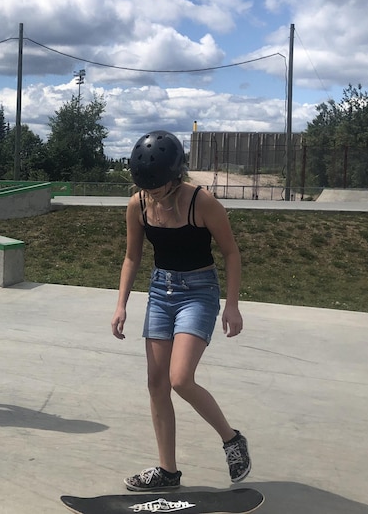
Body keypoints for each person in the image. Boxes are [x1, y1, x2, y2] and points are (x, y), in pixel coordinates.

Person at [110, 130, 251, 491]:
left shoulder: (201, 202)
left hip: (198, 292)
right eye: (147, 189)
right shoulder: (137, 204)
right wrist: (121, 303)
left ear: (176, 176)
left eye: (158, 189)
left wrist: (231, 305)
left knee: (180, 379)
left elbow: (231, 253)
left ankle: (232, 438)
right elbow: (132, 256)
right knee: (156, 384)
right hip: (160, 292)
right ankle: (167, 472)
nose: (152, 196)